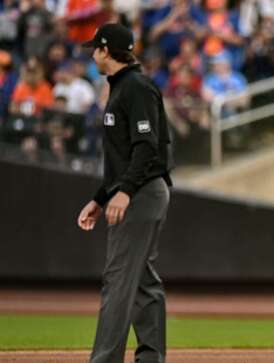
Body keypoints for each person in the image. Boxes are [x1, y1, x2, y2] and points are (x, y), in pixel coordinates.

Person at [75, 23, 173, 363]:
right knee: (142, 281)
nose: (92, 54)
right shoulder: (123, 88)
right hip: (137, 190)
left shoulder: (135, 88)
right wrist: (101, 197)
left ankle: (104, 359)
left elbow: (146, 148)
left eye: (95, 48)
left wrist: (125, 192)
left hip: (143, 192)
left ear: (105, 50)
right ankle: (151, 357)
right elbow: (124, 158)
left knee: (118, 279)